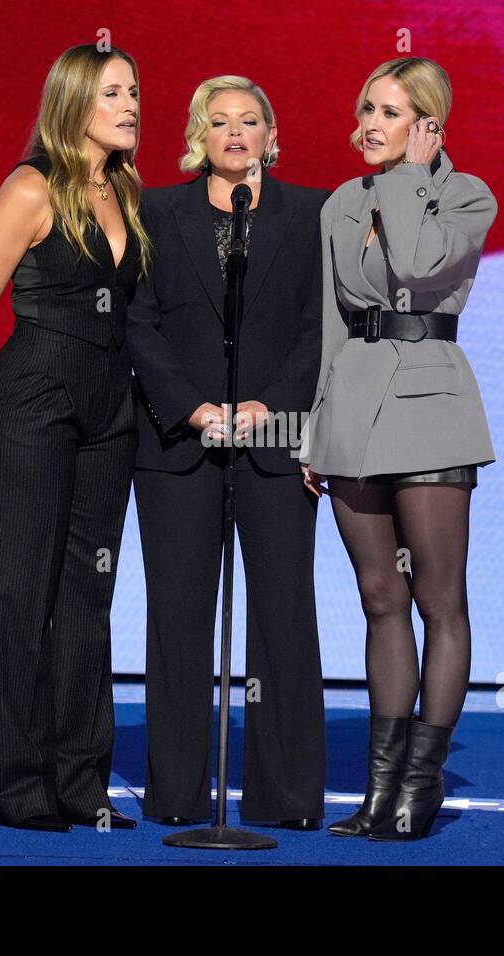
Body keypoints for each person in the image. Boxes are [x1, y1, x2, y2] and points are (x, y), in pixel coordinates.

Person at [0, 44, 152, 832]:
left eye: (134, 91)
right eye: (113, 93)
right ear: (74, 104)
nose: (131, 105)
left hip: (110, 410)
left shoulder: (127, 190)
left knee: (87, 597)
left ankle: (81, 780)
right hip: (31, 399)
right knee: (22, 592)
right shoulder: (31, 187)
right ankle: (22, 785)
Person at [298, 57, 499, 841]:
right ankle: (379, 792)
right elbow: (330, 322)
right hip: (353, 409)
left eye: (392, 111)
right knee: (380, 599)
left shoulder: (465, 195)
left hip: (433, 404)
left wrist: (411, 178)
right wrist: (316, 426)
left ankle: (421, 785)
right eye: (368, 107)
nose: (371, 123)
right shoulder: (340, 203)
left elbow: (418, 266)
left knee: (437, 601)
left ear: (428, 125)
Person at [126, 76, 329, 829]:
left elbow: (320, 326)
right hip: (181, 444)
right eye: (219, 122)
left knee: (283, 616)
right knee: (178, 622)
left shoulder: (311, 213)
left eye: (250, 121)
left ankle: (283, 797)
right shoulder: (155, 211)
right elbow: (139, 324)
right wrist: (193, 407)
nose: (235, 133)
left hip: (274, 444)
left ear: (272, 135)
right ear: (197, 136)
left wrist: (264, 405)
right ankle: (178, 794)